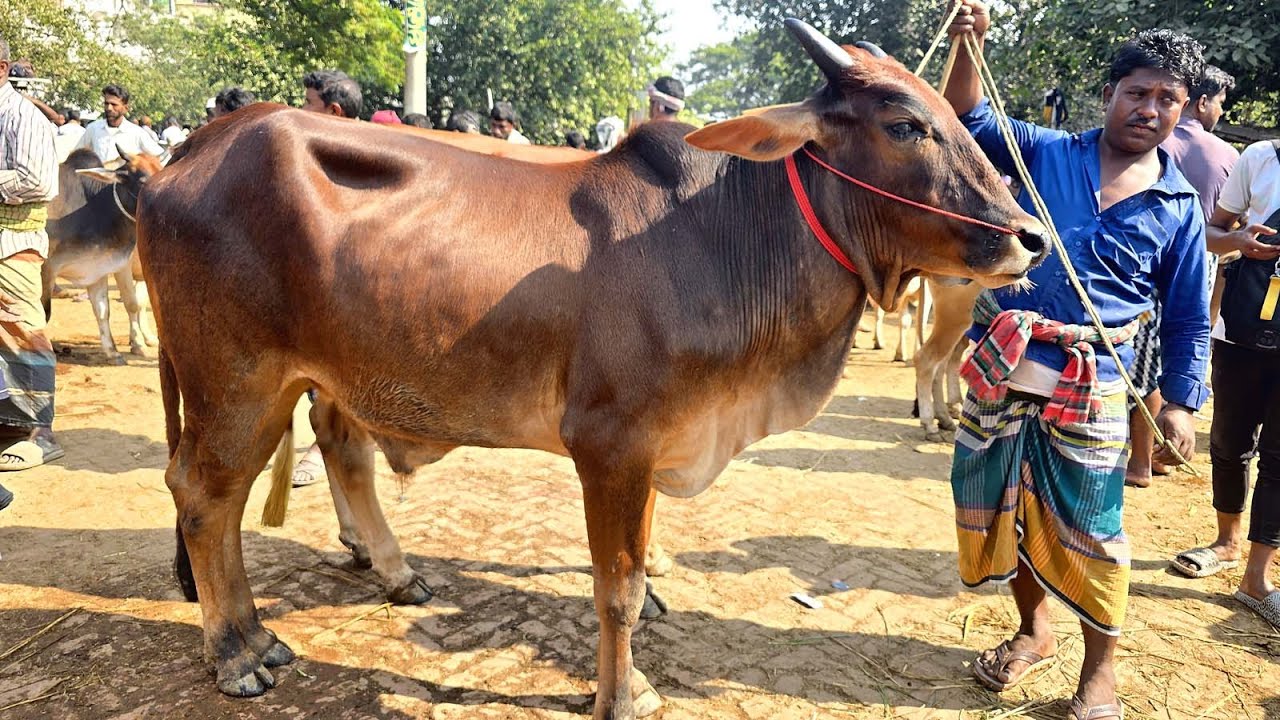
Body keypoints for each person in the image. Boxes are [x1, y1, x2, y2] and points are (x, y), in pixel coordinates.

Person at [943, 5, 1207, 719]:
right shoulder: (1045, 151)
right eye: (1138, 92)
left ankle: (1099, 673)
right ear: (1109, 94)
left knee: (1094, 526)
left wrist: (1182, 402)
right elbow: (966, 119)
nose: (1150, 109)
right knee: (1003, 504)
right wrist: (970, 42)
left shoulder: (1179, 205)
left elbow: (1186, 315)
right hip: (1005, 359)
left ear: (1182, 111)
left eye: (1168, 99)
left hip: (1095, 379)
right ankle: (1033, 629)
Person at [1169, 139, 1280, 629]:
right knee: (1229, 442)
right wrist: (1240, 241)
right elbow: (1211, 233)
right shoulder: (1261, 158)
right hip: (1241, 327)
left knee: (1279, 456)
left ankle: (1257, 579)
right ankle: (1227, 542)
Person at [1125, 65, 1239, 488]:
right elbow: (1228, 227)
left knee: (1137, 355)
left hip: (1135, 258)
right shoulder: (1225, 155)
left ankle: (1140, 455)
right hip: (1195, 260)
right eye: (1220, 103)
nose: (1220, 113)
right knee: (1172, 352)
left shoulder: (1143, 138)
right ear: (1202, 101)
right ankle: (1150, 458)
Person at [291, 70, 364, 488]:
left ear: (334, 111)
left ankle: (324, 448)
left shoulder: (365, 157)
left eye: (308, 104)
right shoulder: (313, 156)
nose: (302, 110)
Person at [0, 33, 65, 484]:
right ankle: (11, 423)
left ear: (1, 69)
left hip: (13, 243)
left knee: (23, 330)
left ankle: (42, 433)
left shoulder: (23, 116)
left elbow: (38, 181)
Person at [76, 84, 168, 166]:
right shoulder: (93, 129)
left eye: (114, 104)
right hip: (98, 179)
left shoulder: (136, 133)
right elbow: (77, 156)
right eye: (106, 103)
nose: (109, 108)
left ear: (125, 108)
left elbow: (161, 158)